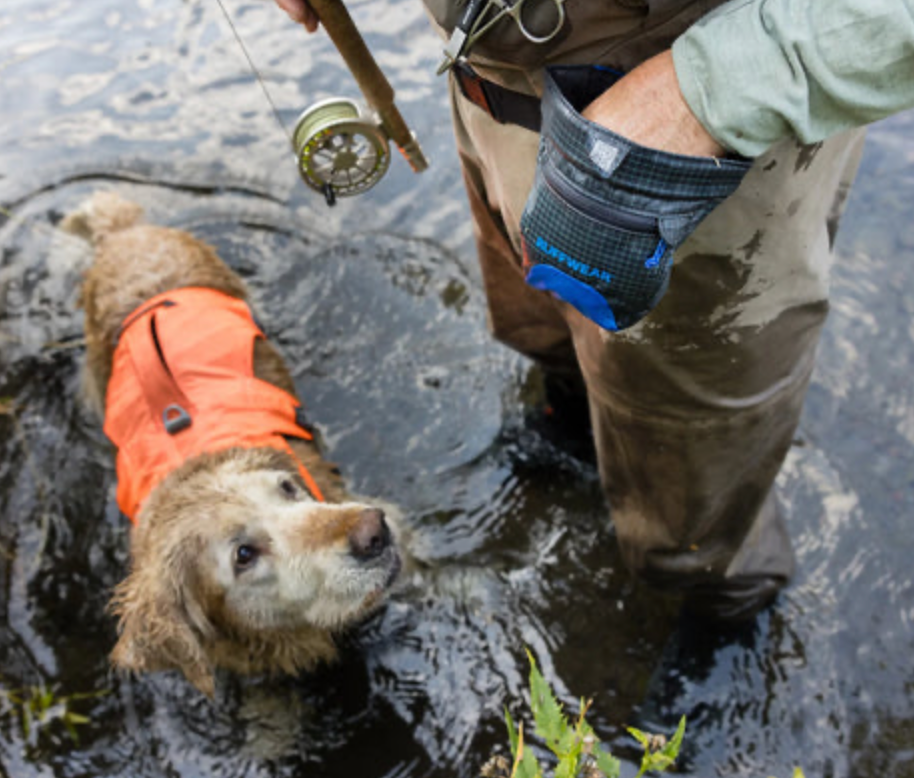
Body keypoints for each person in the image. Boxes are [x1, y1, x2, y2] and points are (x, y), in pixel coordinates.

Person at [274, 0, 914, 622]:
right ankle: (573, 427)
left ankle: (719, 613)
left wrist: (710, 89)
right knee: (543, 328)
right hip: (494, 82)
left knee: (695, 497)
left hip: (696, 141)